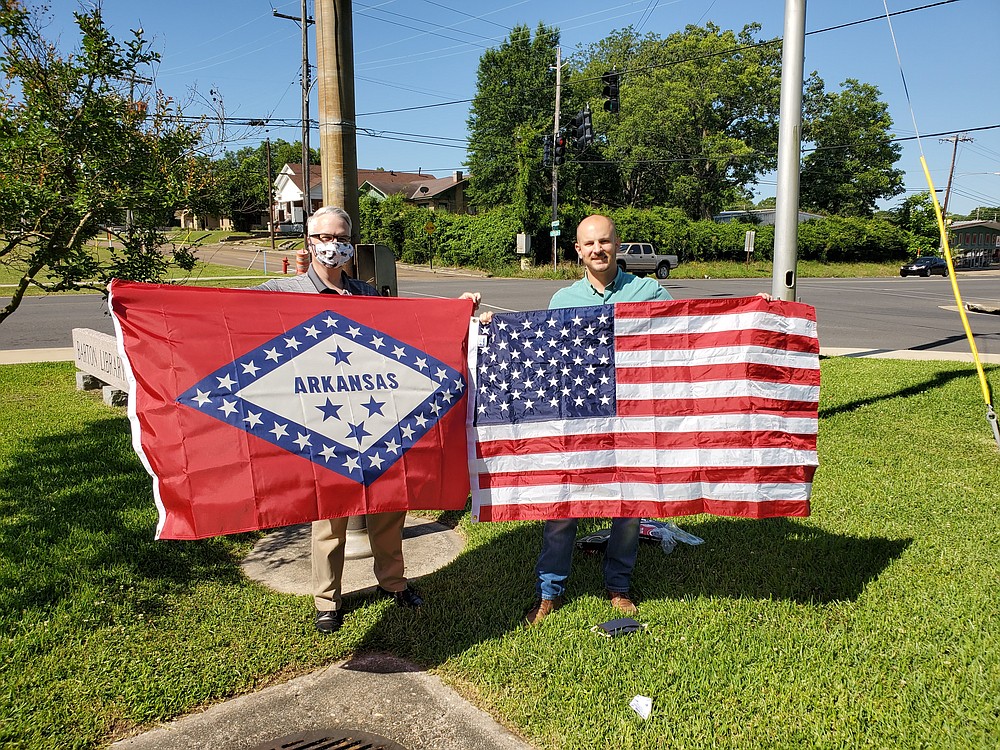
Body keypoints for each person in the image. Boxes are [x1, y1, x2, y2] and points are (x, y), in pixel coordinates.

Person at [516, 214, 772, 626]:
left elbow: (690, 330)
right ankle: (550, 591)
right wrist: (490, 328)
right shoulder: (561, 300)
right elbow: (540, 354)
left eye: (605, 241)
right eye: (589, 243)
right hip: (580, 417)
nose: (597, 249)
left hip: (635, 415)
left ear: (617, 245)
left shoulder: (648, 290)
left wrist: (751, 314)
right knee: (563, 507)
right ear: (577, 251)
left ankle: (618, 586)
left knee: (628, 506)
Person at [254, 205, 481, 634]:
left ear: (352, 244)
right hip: (319, 423)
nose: (332, 245)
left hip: (375, 419)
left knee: (388, 510)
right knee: (330, 519)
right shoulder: (282, 292)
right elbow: (233, 317)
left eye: (341, 237)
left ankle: (393, 582)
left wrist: (460, 312)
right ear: (308, 240)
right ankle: (327, 600)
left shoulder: (370, 295)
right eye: (323, 237)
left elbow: (412, 333)